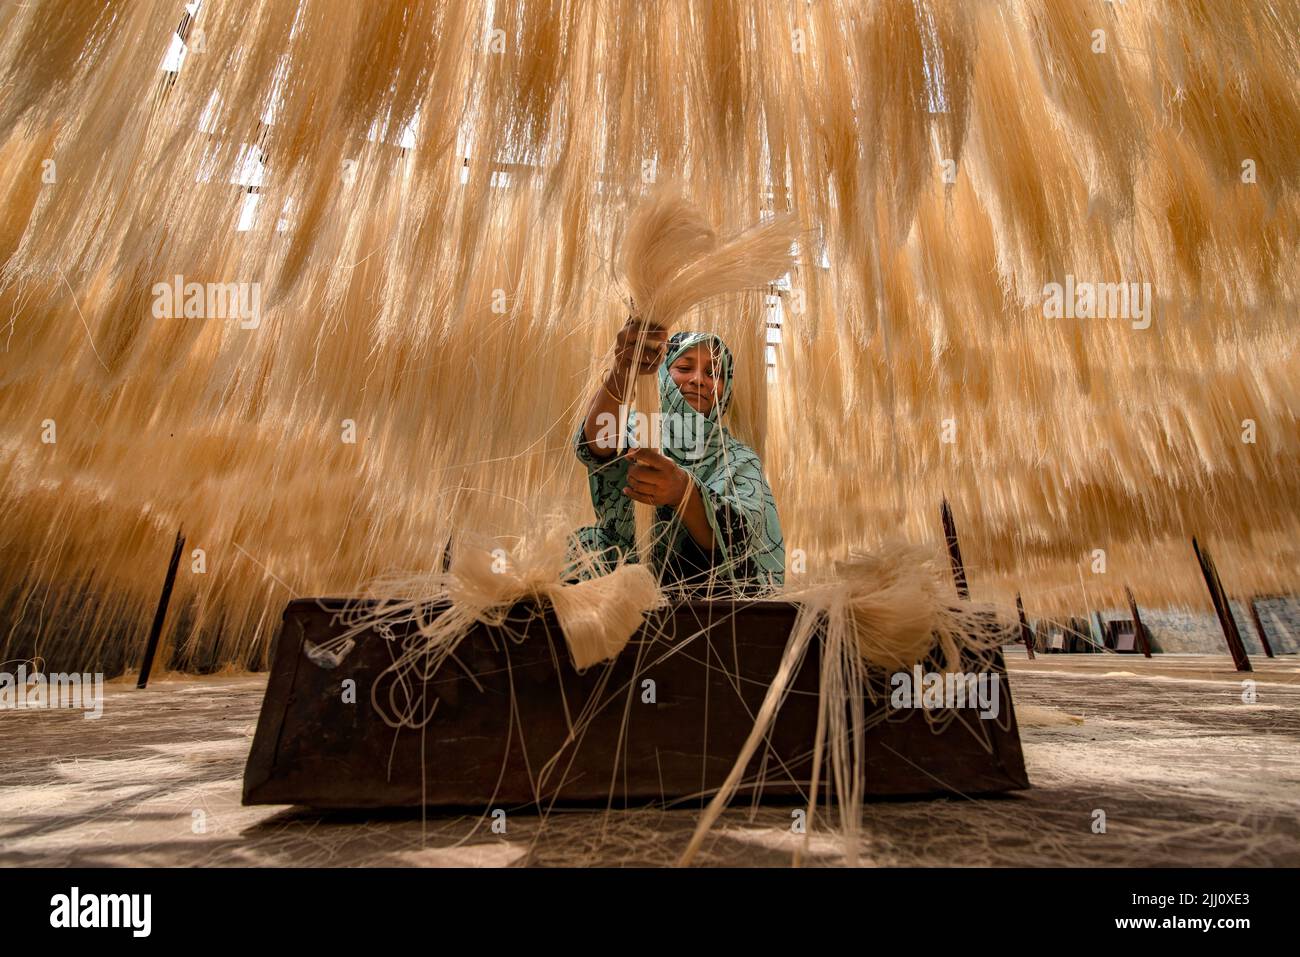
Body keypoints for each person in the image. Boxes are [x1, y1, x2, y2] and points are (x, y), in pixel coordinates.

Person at [572, 315, 785, 594]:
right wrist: (623, 370)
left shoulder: (739, 459)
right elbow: (598, 443)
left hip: (702, 601)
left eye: (714, 373)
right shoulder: (636, 426)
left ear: (726, 388)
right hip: (609, 585)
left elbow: (742, 541)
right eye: (684, 367)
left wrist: (684, 492)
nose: (699, 380)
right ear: (662, 375)